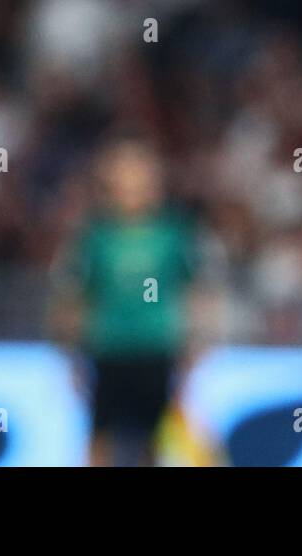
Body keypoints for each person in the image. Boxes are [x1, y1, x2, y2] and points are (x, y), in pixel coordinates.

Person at [54, 135, 199, 466]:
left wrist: (193, 350)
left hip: (156, 351)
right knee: (99, 435)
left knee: (155, 438)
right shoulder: (95, 236)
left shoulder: (173, 233)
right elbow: (74, 296)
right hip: (107, 351)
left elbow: (193, 292)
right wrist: (71, 355)